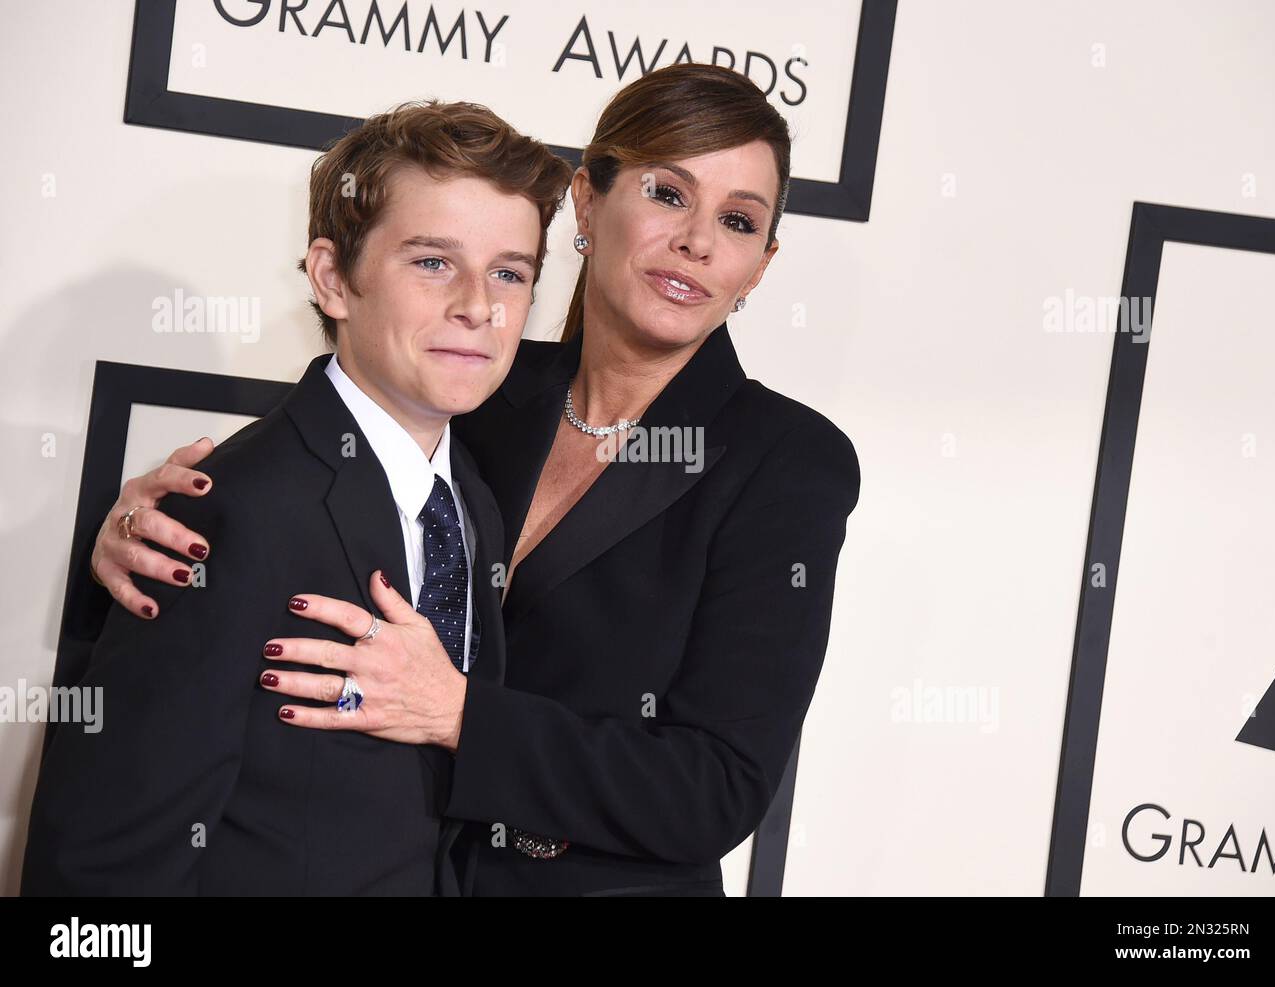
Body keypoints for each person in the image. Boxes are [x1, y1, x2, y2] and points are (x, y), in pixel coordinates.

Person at [68, 64, 860, 896]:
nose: (698, 241)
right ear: (587, 205)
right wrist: (144, 531)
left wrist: (459, 715)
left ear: (761, 266)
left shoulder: (785, 461)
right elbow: (294, 498)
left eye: (738, 220)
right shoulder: (475, 384)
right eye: (669, 194)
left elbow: (716, 788)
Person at [21, 100, 572, 894]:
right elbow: (101, 865)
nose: (478, 305)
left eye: (509, 272)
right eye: (431, 261)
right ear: (332, 278)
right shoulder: (225, 512)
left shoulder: (474, 506)